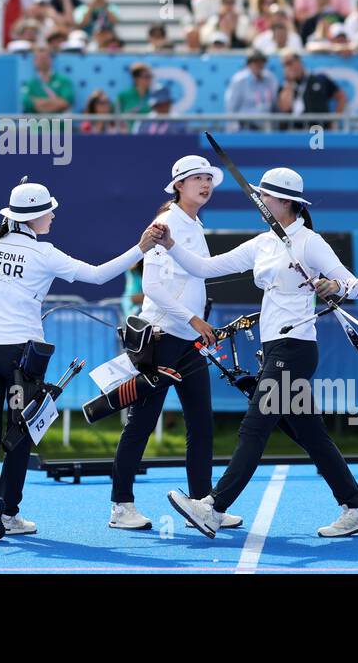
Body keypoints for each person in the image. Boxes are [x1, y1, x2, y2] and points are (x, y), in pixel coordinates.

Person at [157, 167, 358, 540]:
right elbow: (205, 268)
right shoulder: (262, 243)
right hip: (275, 346)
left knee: (254, 427)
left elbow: (355, 287)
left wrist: (331, 284)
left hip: (295, 349)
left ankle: (212, 507)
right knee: (312, 436)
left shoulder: (309, 242)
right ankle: (356, 509)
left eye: (268, 197)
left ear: (288, 202)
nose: (261, 202)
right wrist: (170, 244)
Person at [0, 180, 162, 540]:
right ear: (32, 219)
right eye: (48, 210)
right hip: (20, 359)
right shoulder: (44, 253)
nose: (53, 215)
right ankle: (9, 513)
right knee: (21, 430)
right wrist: (140, 248)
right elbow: (97, 275)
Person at [108, 155, 243, 532]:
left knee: (201, 424)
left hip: (187, 343)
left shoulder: (194, 224)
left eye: (208, 178)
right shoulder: (166, 223)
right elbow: (151, 286)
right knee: (142, 423)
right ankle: (121, 506)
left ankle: (201, 506)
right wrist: (194, 319)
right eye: (196, 178)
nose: (205, 184)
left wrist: (196, 323)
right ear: (178, 186)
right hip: (164, 339)